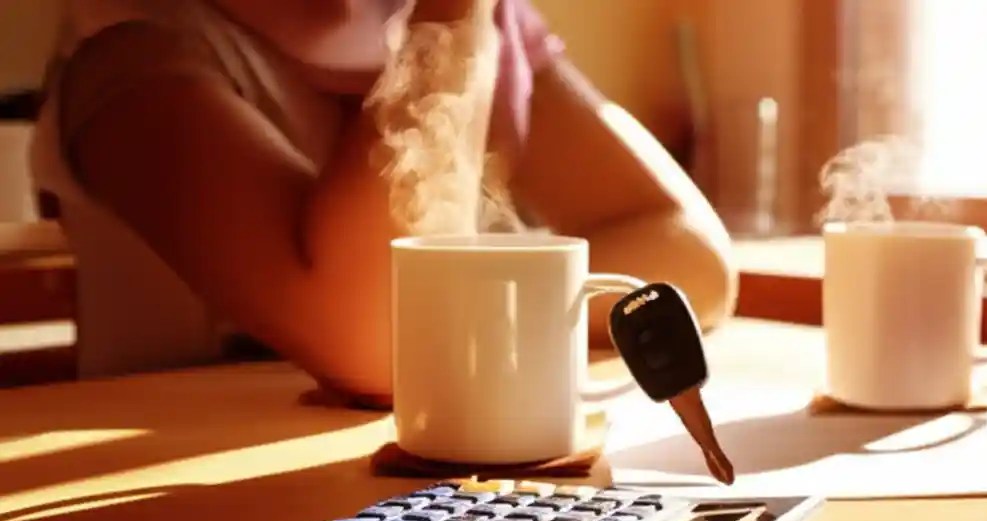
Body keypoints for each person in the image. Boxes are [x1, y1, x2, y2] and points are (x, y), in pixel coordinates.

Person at [30, 0, 736, 404]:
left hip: (431, 507)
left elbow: (690, 265)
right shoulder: (136, 52)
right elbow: (388, 344)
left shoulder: (473, 27)